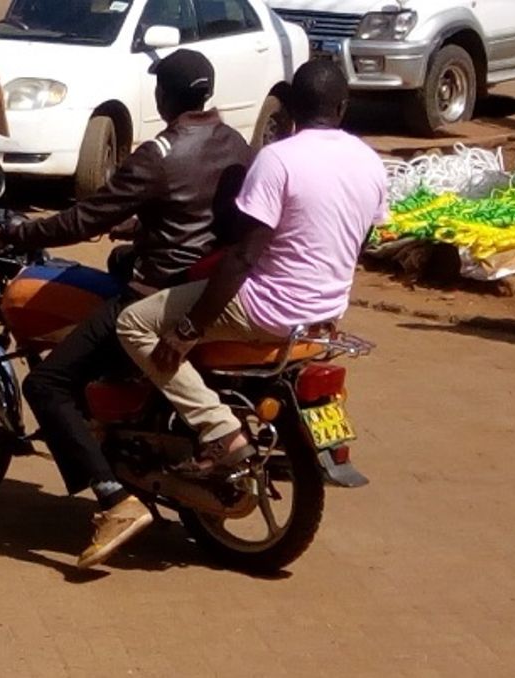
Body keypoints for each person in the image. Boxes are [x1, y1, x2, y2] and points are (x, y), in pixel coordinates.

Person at [0, 50, 252, 569]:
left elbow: (83, 218)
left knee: (46, 385)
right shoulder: (233, 142)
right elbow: (198, 212)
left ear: (165, 96)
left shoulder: (159, 154)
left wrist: (16, 231)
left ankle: (113, 499)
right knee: (117, 265)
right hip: (204, 283)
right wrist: (140, 227)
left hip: (156, 292)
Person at [115, 61, 388, 476]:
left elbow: (243, 255)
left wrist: (189, 329)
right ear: (342, 107)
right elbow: (361, 241)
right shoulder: (370, 162)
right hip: (327, 312)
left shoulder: (278, 159)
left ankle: (221, 430)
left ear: (291, 106)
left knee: (133, 324)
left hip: (267, 310)